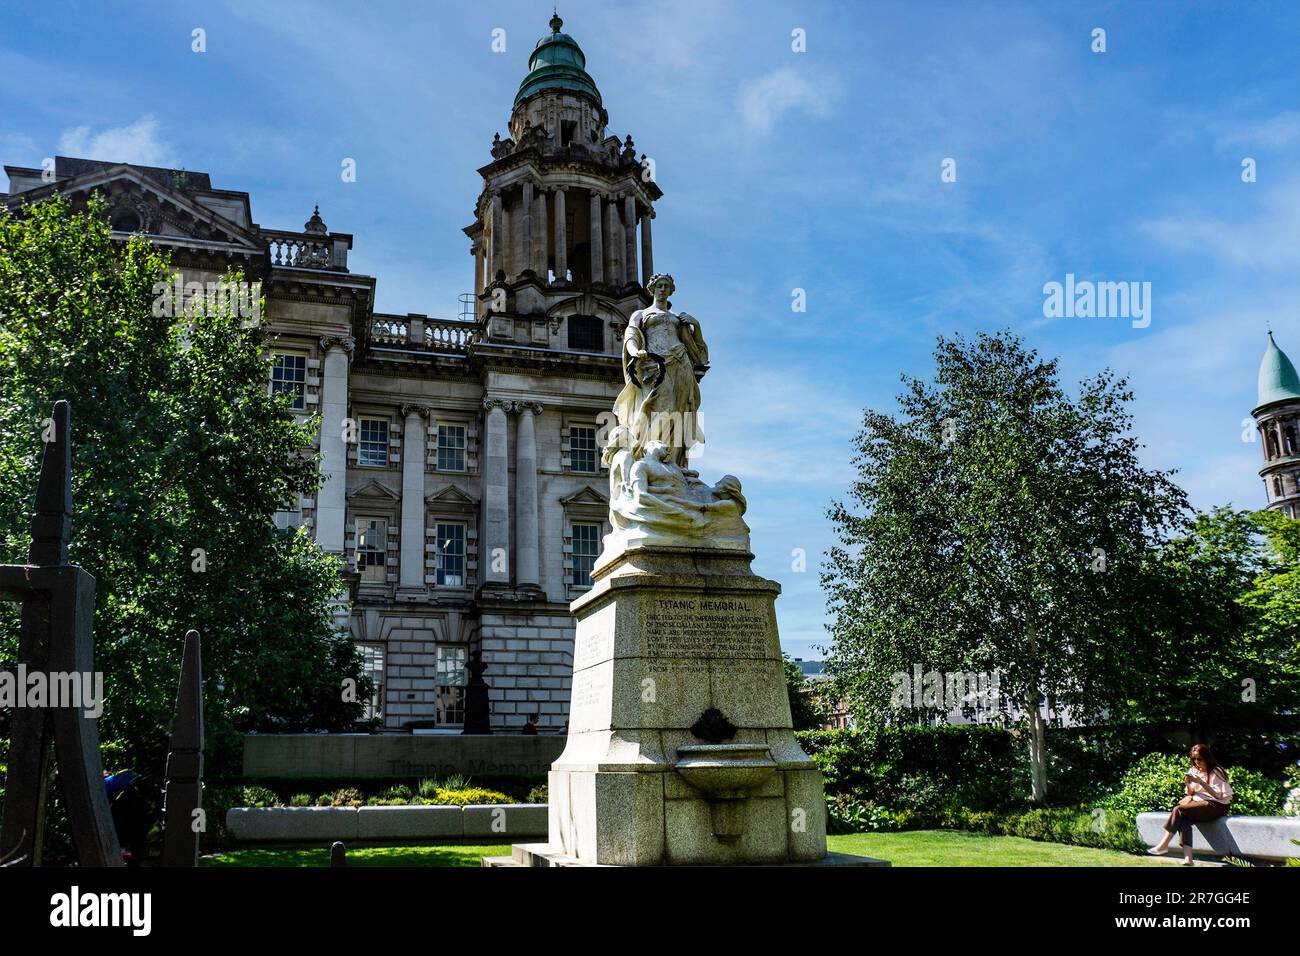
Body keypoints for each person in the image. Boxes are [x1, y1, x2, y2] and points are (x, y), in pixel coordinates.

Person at [1148, 744, 1234, 865]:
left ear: (1207, 758)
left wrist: (1201, 782)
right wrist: (1188, 784)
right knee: (1184, 818)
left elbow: (1219, 796)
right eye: (1194, 759)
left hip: (1217, 805)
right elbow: (1190, 793)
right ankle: (1188, 859)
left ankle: (1164, 844)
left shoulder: (1216, 771)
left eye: (1199, 759)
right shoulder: (1193, 770)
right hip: (1199, 803)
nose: (1196, 762)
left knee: (1179, 810)